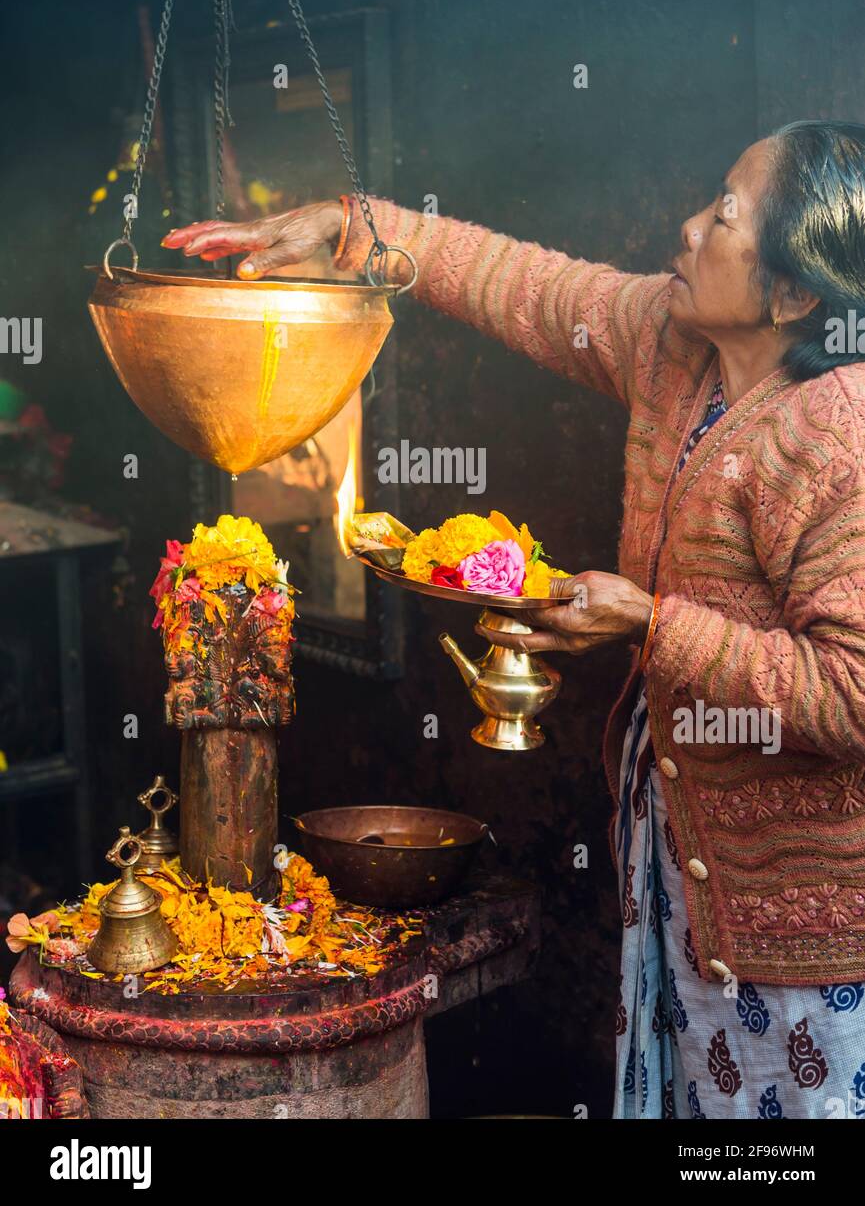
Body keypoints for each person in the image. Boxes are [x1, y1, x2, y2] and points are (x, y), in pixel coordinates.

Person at [164, 120, 865, 1119]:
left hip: (804, 919)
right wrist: (353, 226)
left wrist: (652, 625)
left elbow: (853, 695)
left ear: (793, 293)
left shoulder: (838, 432)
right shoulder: (675, 345)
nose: (688, 224)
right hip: (683, 853)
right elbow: (528, 286)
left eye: (724, 215)